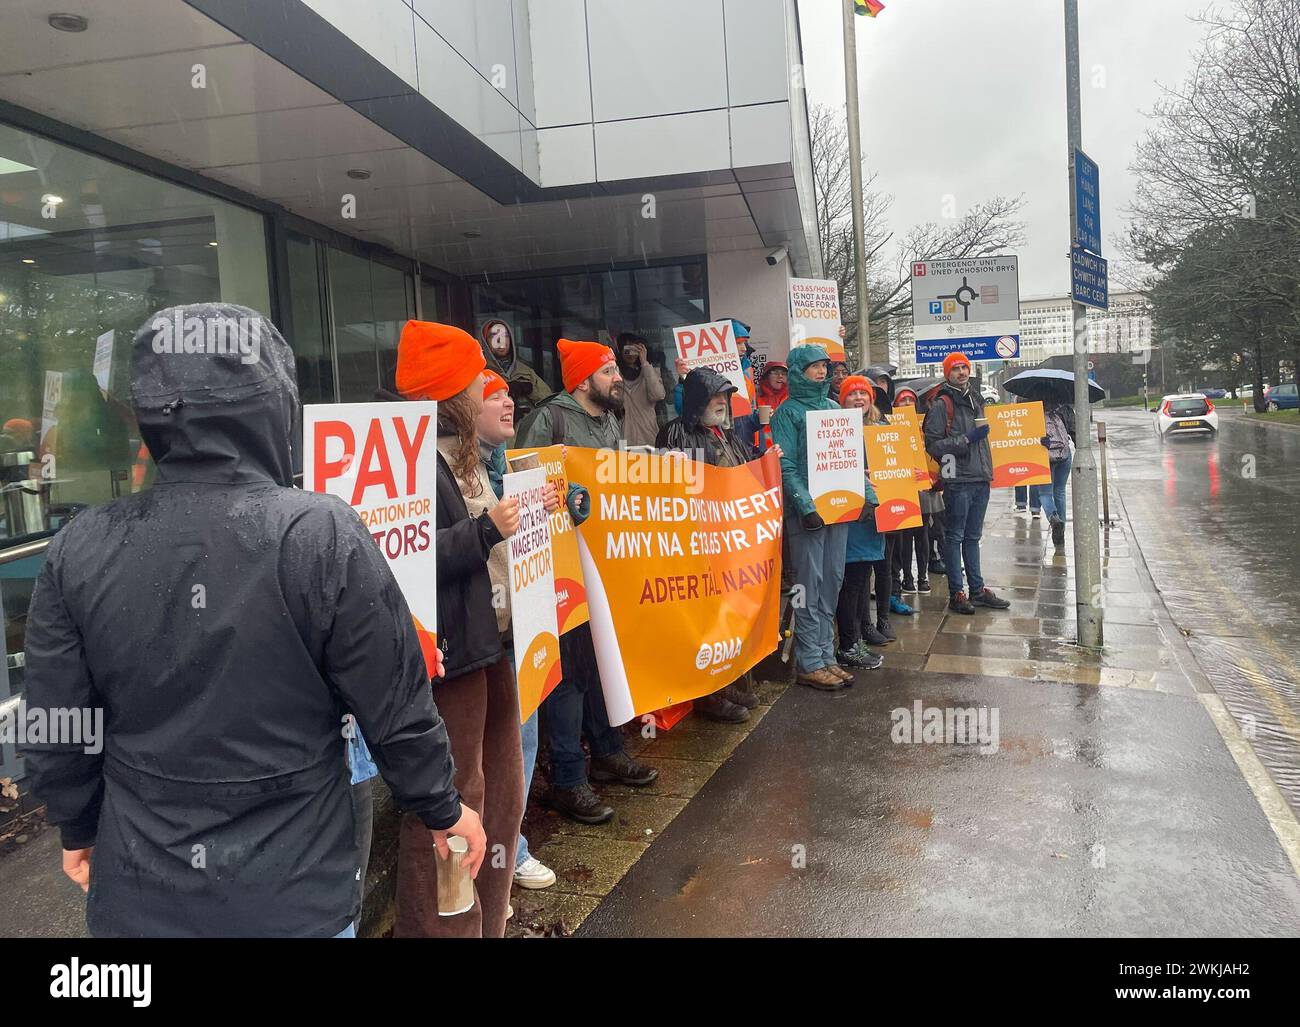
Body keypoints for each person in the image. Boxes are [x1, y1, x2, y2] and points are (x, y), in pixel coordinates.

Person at [21, 303, 482, 938]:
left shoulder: (81, 544)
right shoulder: (319, 531)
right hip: (294, 897)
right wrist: (442, 806)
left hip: (140, 897)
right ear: (273, 405)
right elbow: (394, 699)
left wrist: (77, 823)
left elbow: (58, 721)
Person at [391, 321, 528, 939]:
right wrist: (485, 532)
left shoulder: (465, 456)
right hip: (452, 659)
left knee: (501, 799)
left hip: (487, 646)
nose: (487, 386)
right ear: (450, 391)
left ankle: (487, 924)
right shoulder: (410, 459)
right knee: (452, 812)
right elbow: (404, 558)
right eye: (476, 377)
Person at [516, 339, 658, 825]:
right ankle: (568, 780)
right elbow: (526, 485)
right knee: (571, 674)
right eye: (609, 370)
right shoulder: (547, 421)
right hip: (563, 567)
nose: (618, 377)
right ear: (583, 380)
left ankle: (607, 751)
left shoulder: (610, 420)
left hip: (604, 563)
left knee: (600, 662)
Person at [474, 369, 559, 892]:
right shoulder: (454, 469)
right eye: (494, 396)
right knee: (485, 754)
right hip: (480, 638)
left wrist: (548, 512)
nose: (509, 403)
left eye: (509, 393)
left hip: (515, 629)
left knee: (519, 745)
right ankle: (488, 862)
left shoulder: (506, 465)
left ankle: (509, 848)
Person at [656, 367, 770, 720]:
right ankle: (707, 695)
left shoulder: (727, 435)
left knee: (727, 618)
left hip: (729, 544)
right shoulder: (673, 434)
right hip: (699, 545)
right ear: (697, 402)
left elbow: (746, 474)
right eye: (715, 396)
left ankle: (724, 682)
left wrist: (768, 465)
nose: (722, 402)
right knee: (704, 622)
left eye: (725, 396)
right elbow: (664, 492)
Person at [771, 344, 854, 691]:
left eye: (824, 366)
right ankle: (809, 661)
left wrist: (867, 496)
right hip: (807, 514)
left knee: (832, 580)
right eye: (814, 367)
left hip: (837, 509)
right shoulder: (786, 413)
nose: (822, 372)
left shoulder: (834, 407)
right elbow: (785, 465)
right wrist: (804, 506)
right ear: (798, 372)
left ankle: (825, 654)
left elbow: (848, 458)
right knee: (809, 583)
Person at [923, 352, 1012, 616]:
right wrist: (966, 439)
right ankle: (957, 593)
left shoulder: (975, 398)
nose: (961, 372)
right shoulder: (942, 404)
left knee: (973, 537)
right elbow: (933, 445)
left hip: (980, 478)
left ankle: (977, 589)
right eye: (955, 369)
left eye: (964, 367)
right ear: (947, 373)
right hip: (959, 480)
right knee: (955, 537)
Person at [834, 375, 887, 668]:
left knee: (862, 577)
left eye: (863, 394)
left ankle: (855, 640)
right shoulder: (836, 430)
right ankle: (848, 644)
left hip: (874, 516)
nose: (858, 398)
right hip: (853, 514)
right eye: (852, 394)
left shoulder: (881, 429)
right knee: (852, 582)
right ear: (842, 400)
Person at [480, 318, 552, 420]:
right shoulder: (479, 373)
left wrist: (530, 391)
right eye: (494, 336)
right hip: (495, 432)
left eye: (505, 336)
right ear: (485, 341)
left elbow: (549, 403)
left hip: (528, 432)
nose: (501, 341)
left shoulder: (526, 371)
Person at [1033, 398, 1076, 546]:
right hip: (1064, 455)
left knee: (1045, 493)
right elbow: (1074, 430)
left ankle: (1054, 519)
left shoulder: (1031, 409)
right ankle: (1061, 532)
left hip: (1043, 455)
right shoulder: (1063, 408)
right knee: (1060, 492)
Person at [615, 332, 667, 447]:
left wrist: (644, 363)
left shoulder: (649, 371)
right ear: (620, 350)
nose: (630, 354)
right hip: (623, 437)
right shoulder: (615, 374)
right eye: (626, 349)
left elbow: (658, 395)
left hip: (648, 435)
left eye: (634, 349)